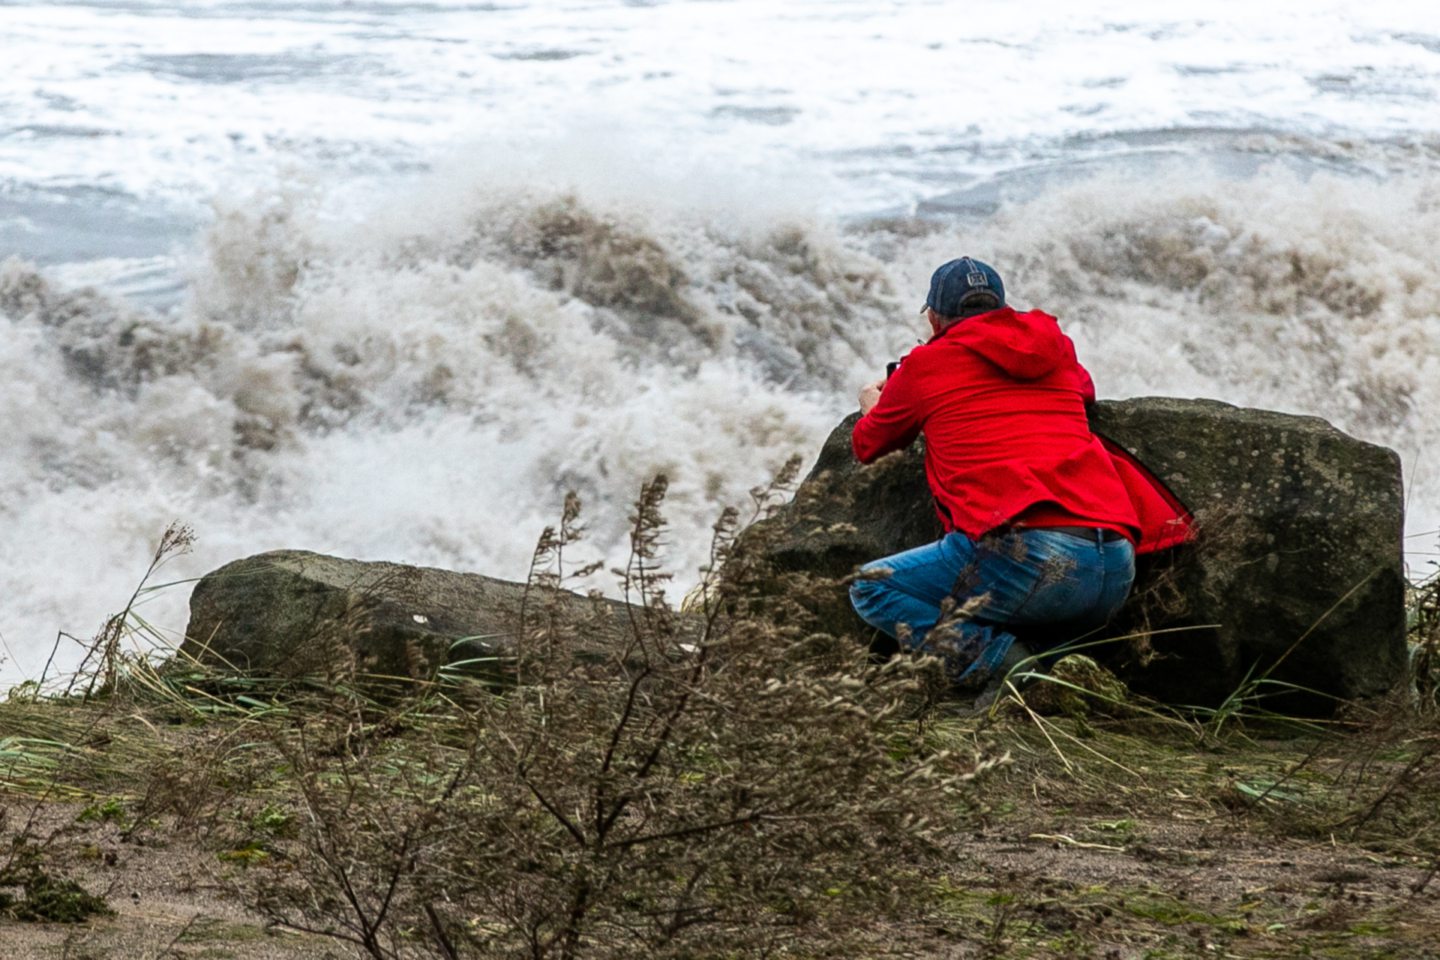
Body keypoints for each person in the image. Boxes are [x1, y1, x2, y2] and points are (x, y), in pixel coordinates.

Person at [848, 257, 1191, 694]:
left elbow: (868, 444)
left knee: (869, 587)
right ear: (1001, 309)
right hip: (1117, 565)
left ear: (934, 318)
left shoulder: (925, 366)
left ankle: (997, 662)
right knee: (1043, 634)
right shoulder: (1055, 348)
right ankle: (1051, 673)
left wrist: (872, 402)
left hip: (1035, 562)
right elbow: (1084, 392)